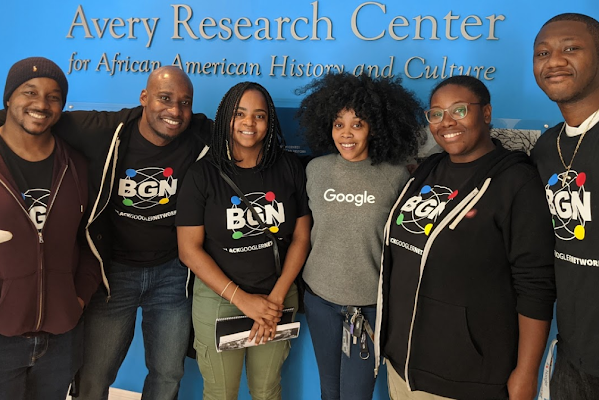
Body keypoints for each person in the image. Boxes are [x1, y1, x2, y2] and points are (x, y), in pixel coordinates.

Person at [0, 66, 212, 399]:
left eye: (184, 102)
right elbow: (32, 114)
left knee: (168, 372)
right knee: (94, 375)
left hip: (172, 274)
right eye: (165, 98)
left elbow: (245, 131)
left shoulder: (200, 136)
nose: (174, 111)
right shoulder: (104, 129)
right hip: (113, 273)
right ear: (144, 98)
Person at [376, 75, 556, 400]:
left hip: (464, 378)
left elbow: (536, 284)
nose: (447, 122)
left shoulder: (516, 183)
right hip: (403, 366)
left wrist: (526, 373)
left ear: (486, 113)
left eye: (459, 110)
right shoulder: (428, 169)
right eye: (436, 113)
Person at [176, 81, 311, 400]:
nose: (249, 123)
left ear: (270, 122)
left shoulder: (290, 168)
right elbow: (189, 250)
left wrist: (275, 300)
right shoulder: (202, 175)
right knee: (221, 393)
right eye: (240, 114)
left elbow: (301, 238)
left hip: (278, 298)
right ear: (226, 118)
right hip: (221, 302)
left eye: (259, 115)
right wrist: (243, 300)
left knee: (267, 390)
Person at [295, 72, 424, 400]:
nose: (346, 134)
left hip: (368, 307)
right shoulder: (316, 170)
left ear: (376, 128)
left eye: (358, 124)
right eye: (339, 124)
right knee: (329, 390)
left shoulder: (395, 176)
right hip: (320, 300)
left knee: (356, 394)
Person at [0, 57, 101, 399]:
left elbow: (90, 239)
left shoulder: (76, 164)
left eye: (54, 96)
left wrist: (78, 298)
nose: (41, 104)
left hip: (60, 336)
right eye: (30, 92)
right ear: (9, 98)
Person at [531, 13, 599, 400]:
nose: (553, 60)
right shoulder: (547, 147)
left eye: (571, 48)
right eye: (542, 52)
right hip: (574, 352)